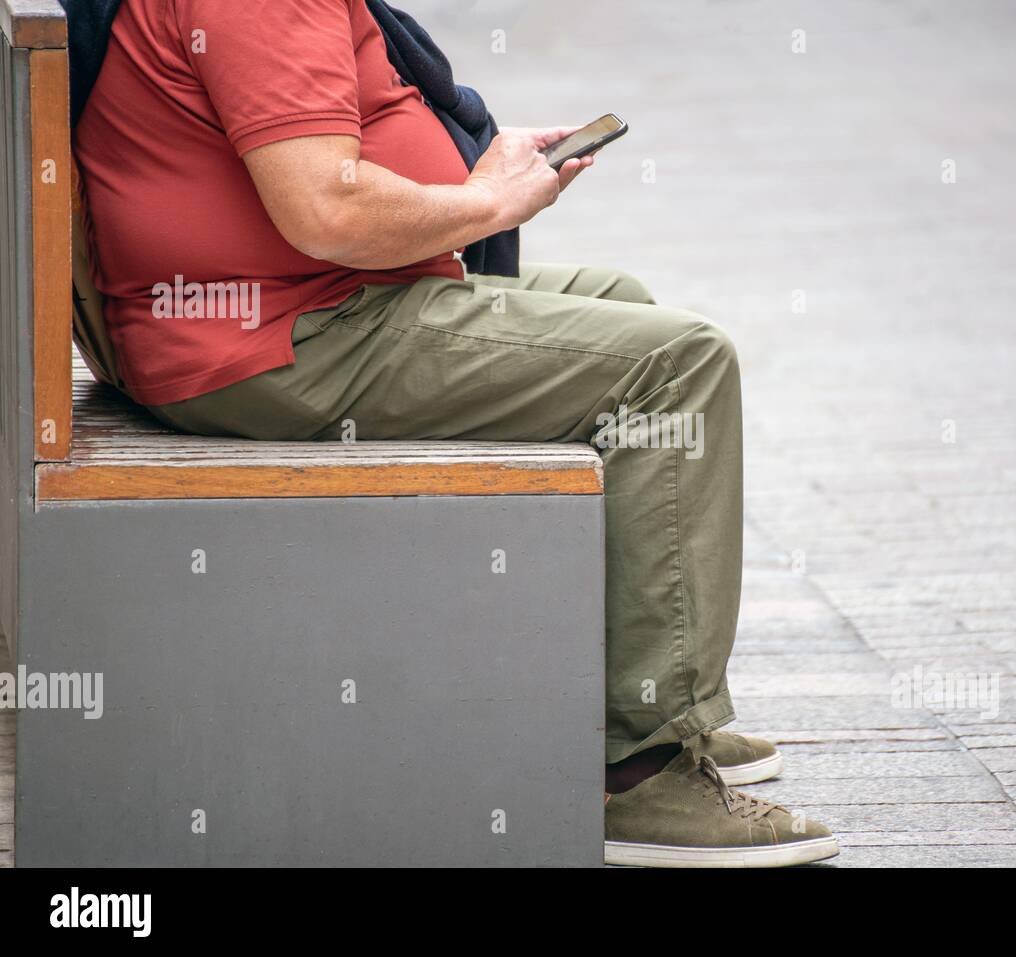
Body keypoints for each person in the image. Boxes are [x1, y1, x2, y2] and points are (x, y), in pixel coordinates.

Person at [72, 0, 838, 867]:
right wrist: (486, 203)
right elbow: (327, 207)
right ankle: (648, 778)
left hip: (286, 304)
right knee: (680, 366)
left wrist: (484, 176)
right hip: (279, 335)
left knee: (620, 302)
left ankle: (639, 703)